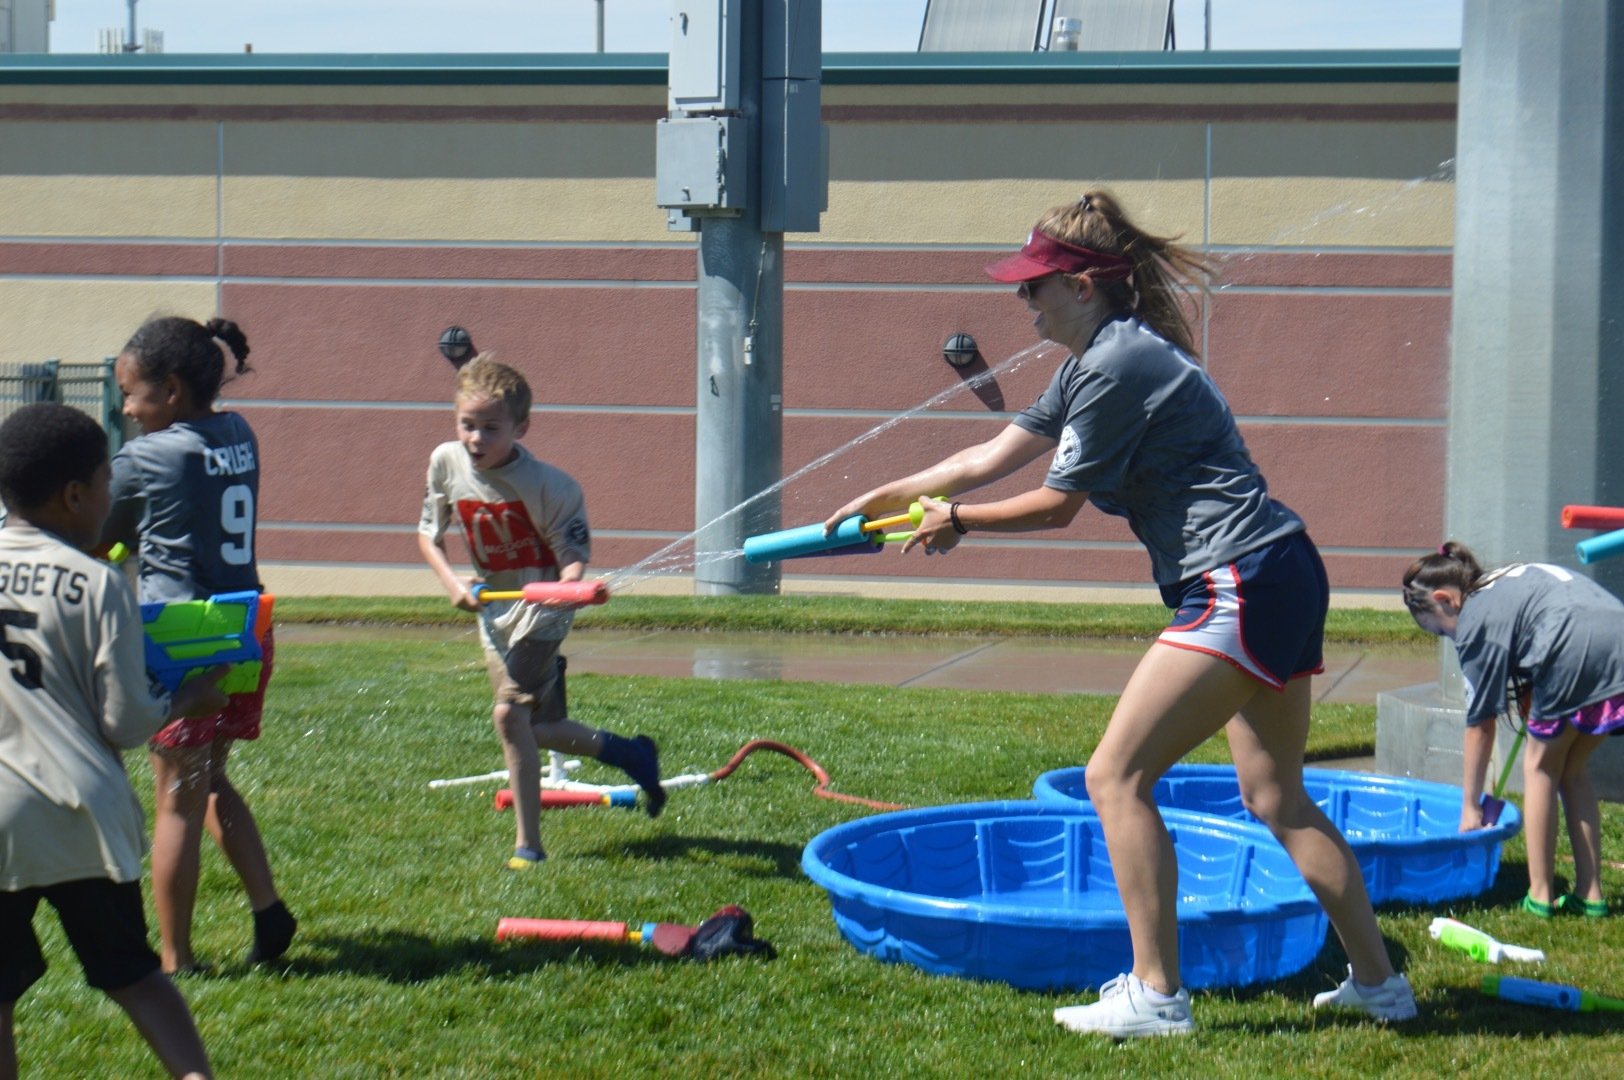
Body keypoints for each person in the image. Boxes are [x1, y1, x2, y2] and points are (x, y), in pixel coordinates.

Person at [824, 191, 1413, 1037]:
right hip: (1277, 567)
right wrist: (891, 494)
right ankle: (1380, 987)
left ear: (1082, 286)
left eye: (1035, 285)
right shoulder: (1096, 362)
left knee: (1115, 777)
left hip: (1238, 577)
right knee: (1276, 796)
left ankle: (1157, 995)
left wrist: (959, 521)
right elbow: (991, 453)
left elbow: (1055, 506)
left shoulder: (1114, 366)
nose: (1021, 298)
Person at [0, 403, 228, 1080]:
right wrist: (187, 697)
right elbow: (126, 723)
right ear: (74, 496)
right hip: (81, 814)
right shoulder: (99, 582)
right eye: (108, 480)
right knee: (132, 972)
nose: (113, 495)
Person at [100, 315, 296, 974]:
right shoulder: (238, 432)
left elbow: (94, 532)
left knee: (176, 799)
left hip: (182, 638)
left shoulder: (146, 456)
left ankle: (176, 959)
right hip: (247, 627)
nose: (127, 409)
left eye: (132, 394)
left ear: (172, 390)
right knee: (208, 778)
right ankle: (268, 909)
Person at [417, 355, 664, 870]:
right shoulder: (445, 462)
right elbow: (427, 535)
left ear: (521, 428)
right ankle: (630, 753)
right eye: (467, 424)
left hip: (545, 612)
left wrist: (567, 587)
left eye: (491, 428)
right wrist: (453, 585)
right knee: (539, 727)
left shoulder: (553, 486)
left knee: (509, 716)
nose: (476, 439)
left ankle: (528, 846)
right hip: (496, 613)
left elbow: (572, 557)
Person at [1402, 541, 1622, 918]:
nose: (1451, 639)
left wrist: (1470, 807)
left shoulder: (1473, 621)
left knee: (1539, 768)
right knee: (1571, 771)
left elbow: (1480, 726)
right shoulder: (1498, 581)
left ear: (1445, 599)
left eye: (1441, 630)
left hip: (1570, 646)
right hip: (1617, 636)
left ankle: (1540, 895)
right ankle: (1590, 894)